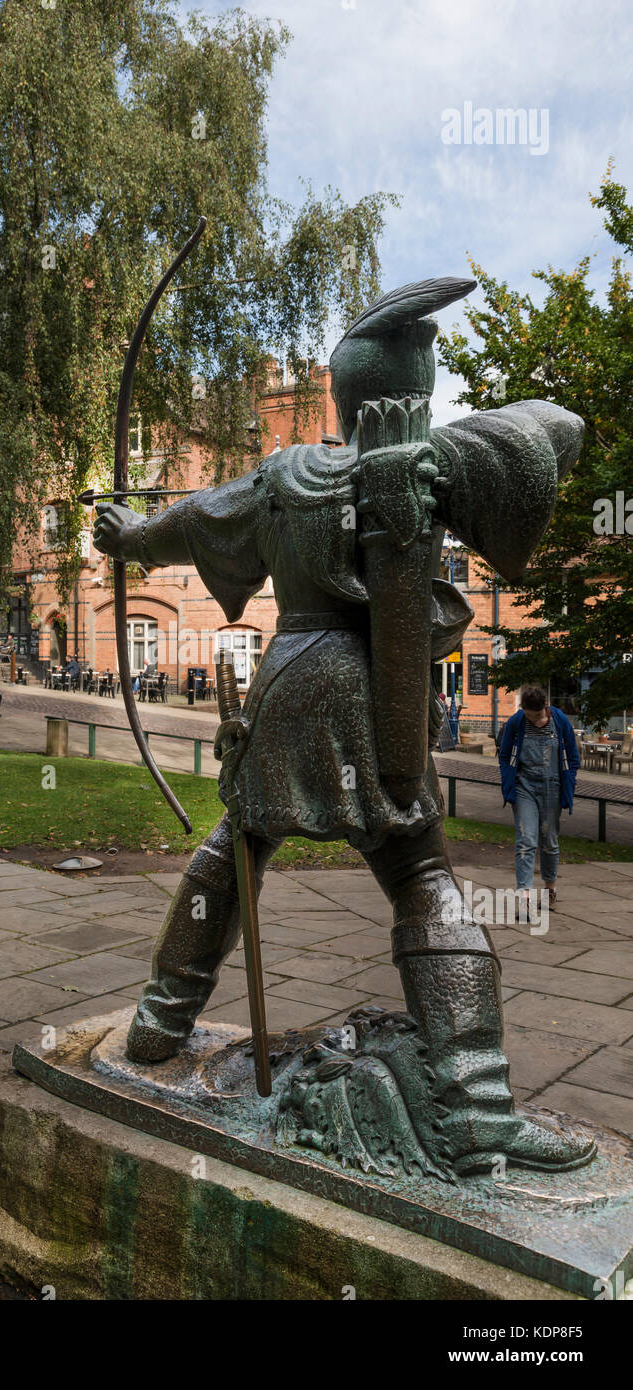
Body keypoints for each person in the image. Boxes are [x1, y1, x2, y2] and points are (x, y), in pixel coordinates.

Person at [94, 275, 593, 1175]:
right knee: (420, 874)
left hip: (289, 683)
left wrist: (131, 537)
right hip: (375, 698)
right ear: (413, 394)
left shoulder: (285, 479)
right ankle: (475, 1105)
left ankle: (157, 1022)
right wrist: (440, 450)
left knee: (235, 850)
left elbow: (193, 516)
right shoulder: (443, 459)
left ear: (341, 395)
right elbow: (558, 424)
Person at [499, 685, 579, 913]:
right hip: (524, 786)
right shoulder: (517, 722)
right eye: (528, 715)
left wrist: (569, 778)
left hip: (552, 787)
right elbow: (505, 755)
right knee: (526, 841)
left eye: (536, 716)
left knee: (549, 841)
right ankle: (524, 899)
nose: (532, 720)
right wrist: (508, 781)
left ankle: (549, 890)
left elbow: (572, 756)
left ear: (545, 707)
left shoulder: (560, 721)